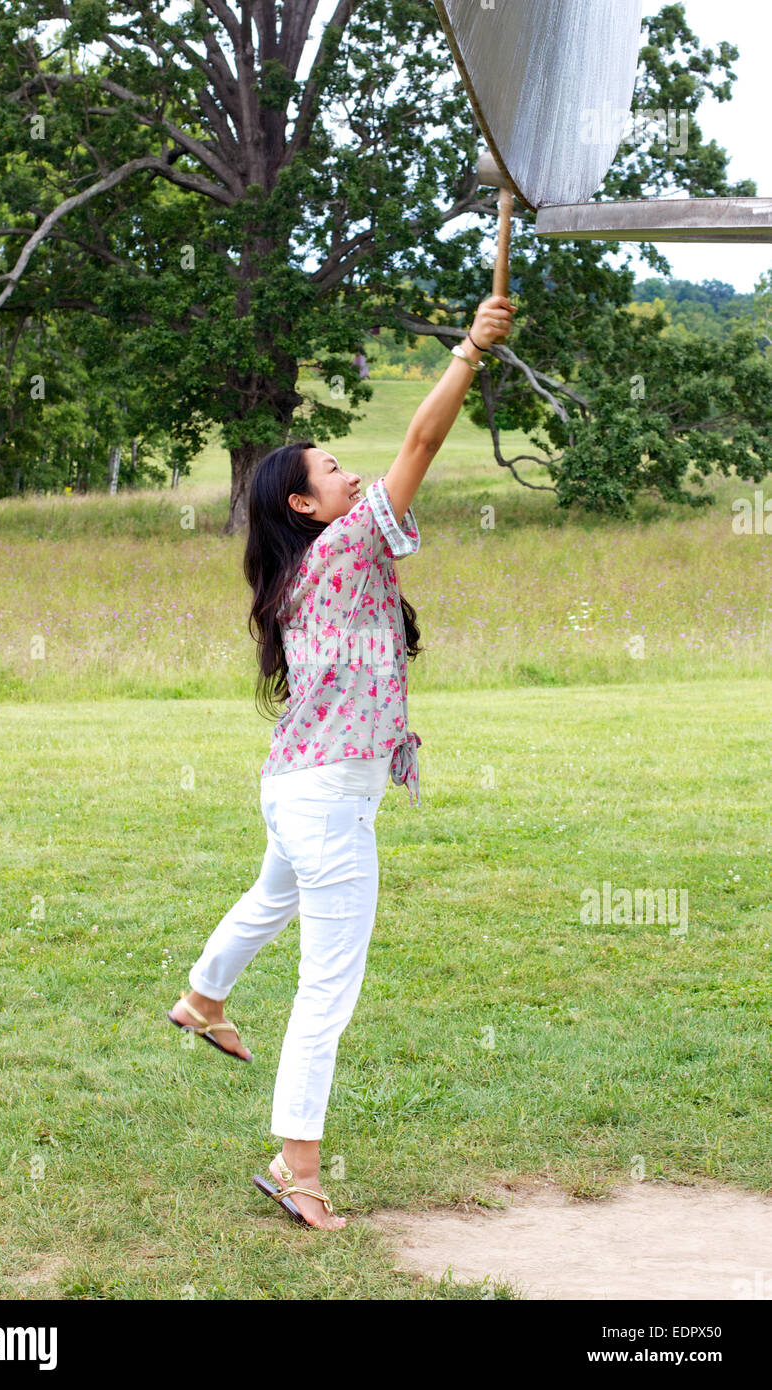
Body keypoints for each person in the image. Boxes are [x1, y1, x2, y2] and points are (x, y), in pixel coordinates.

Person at [168, 294, 516, 1230]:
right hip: (326, 800)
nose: (353, 476)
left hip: (295, 789)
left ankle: (204, 1000)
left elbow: (397, 461)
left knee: (270, 899)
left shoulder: (293, 573)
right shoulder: (346, 549)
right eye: (332, 469)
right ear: (303, 505)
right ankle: (296, 1168)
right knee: (328, 989)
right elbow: (420, 446)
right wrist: (469, 354)